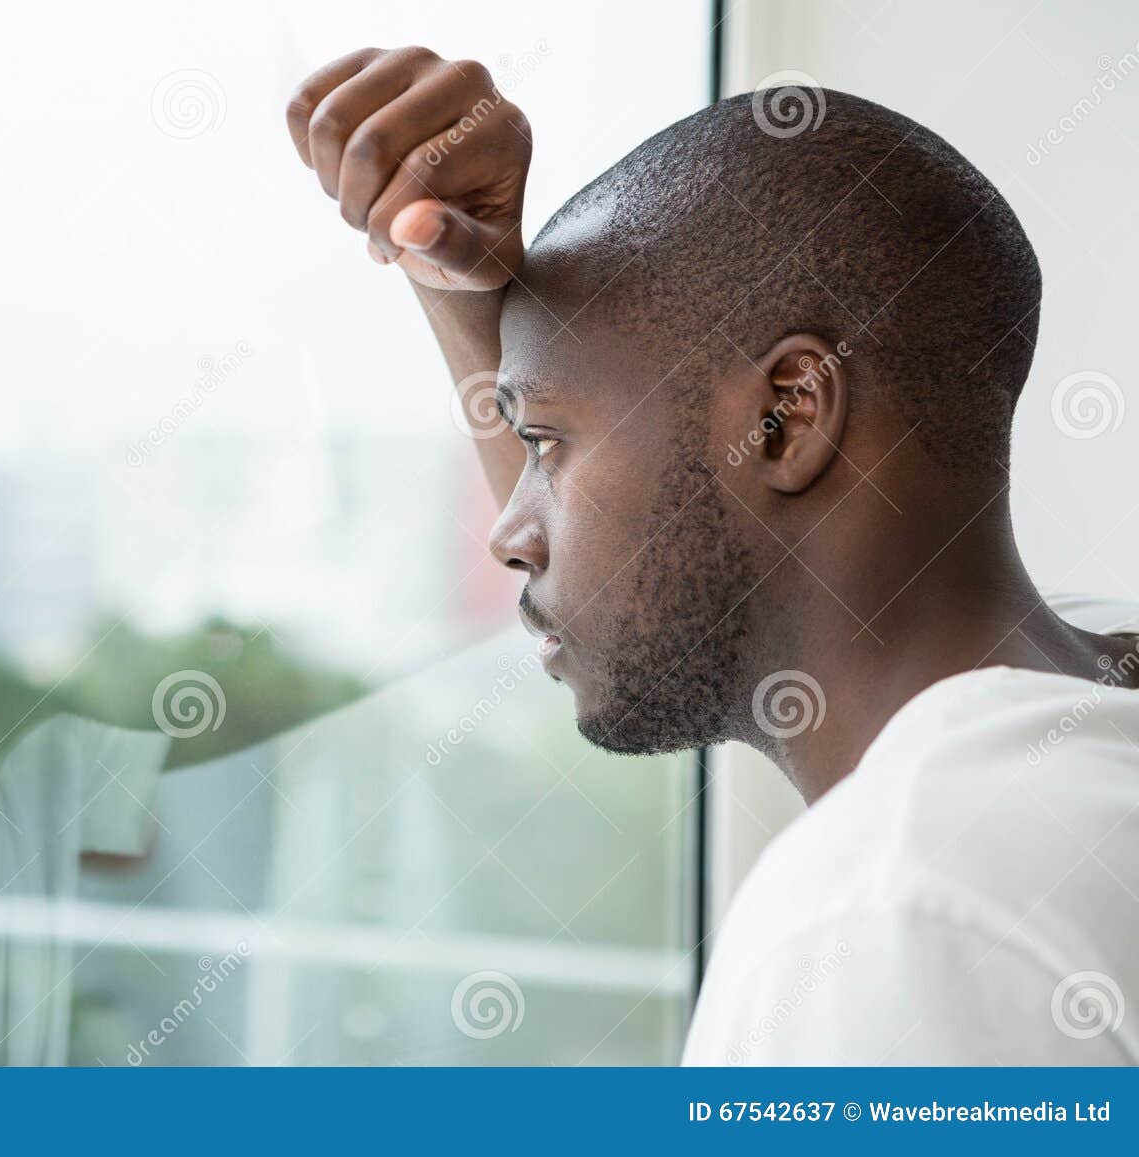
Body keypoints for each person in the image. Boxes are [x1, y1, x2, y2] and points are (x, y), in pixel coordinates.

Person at [286, 46, 1139, 1065]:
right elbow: (648, 533)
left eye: (546, 443)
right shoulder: (1085, 707)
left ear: (784, 419)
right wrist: (473, 306)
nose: (505, 536)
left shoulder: (893, 917)